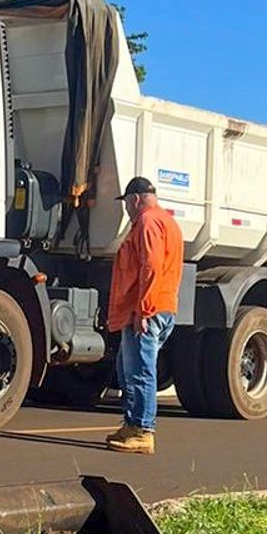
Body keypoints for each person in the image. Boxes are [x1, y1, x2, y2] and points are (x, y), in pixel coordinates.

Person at [105, 176, 183, 455]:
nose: (126, 208)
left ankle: (141, 430)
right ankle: (132, 424)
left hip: (147, 309)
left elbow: (150, 267)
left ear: (135, 199)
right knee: (129, 368)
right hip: (159, 306)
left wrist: (144, 309)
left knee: (139, 371)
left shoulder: (147, 222)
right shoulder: (166, 221)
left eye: (126, 202)